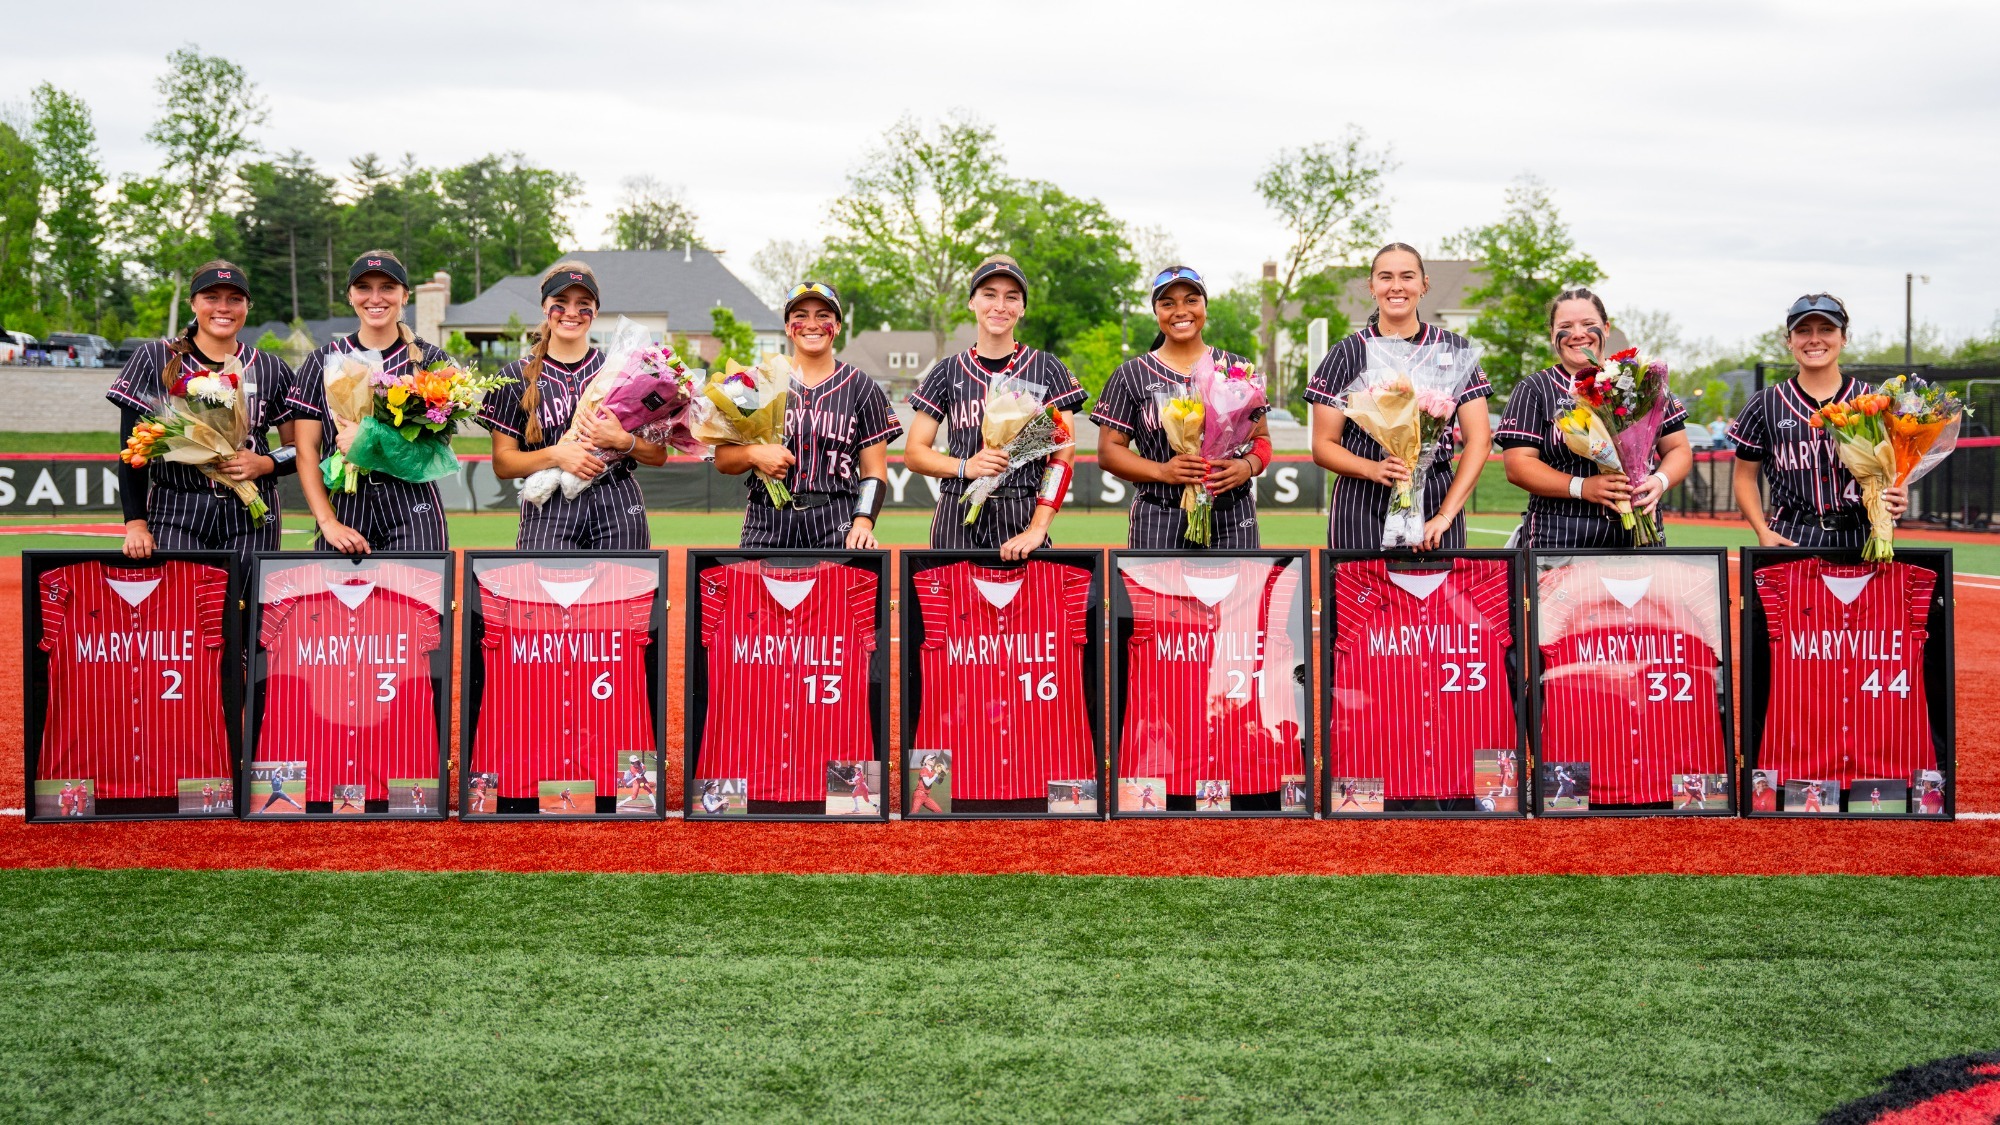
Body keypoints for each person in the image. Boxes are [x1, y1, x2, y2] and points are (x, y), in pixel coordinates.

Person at [108, 261, 299, 569]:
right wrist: (136, 525)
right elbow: (132, 451)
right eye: (211, 297)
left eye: (235, 299)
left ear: (247, 306)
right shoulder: (153, 358)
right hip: (177, 508)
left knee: (245, 599)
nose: (223, 307)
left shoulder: (271, 367)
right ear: (193, 303)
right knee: (185, 599)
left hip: (252, 511)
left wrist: (265, 464)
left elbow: (301, 447)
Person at [1308, 244, 1494, 550]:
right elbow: (1323, 445)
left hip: (1436, 500)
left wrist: (1445, 516)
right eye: (1386, 277)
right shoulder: (1346, 353)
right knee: (1360, 583)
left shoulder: (1455, 349)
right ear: (1372, 287)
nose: (1396, 286)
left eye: (1407, 277)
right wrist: (1372, 468)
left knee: (1438, 584)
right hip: (1361, 501)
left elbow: (1480, 441)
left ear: (1424, 284)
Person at [905, 255, 1088, 557]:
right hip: (957, 509)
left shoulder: (1047, 368)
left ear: (1023, 307)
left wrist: (1037, 528)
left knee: (1028, 591)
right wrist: (966, 466)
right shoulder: (947, 370)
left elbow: (1063, 454)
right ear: (972, 302)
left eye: (1011, 297)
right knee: (954, 591)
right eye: (989, 295)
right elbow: (914, 453)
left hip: (1021, 511)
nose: (1000, 306)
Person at [481, 262, 672, 549]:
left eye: (583, 304)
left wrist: (622, 440)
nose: (572, 312)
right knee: (544, 580)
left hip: (617, 502)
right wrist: (557, 455)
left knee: (624, 581)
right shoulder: (514, 376)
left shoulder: (623, 371)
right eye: (561, 302)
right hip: (549, 504)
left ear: (595, 312)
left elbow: (658, 455)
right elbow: (503, 463)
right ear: (545, 307)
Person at [1497, 289, 1694, 548]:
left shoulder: (1641, 381)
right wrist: (1581, 487)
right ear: (1552, 334)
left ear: (1606, 328)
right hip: (1561, 533)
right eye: (1565, 326)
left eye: (1588, 324)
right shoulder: (1534, 389)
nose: (1578, 333)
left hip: (1641, 533)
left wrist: (1660, 481)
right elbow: (1517, 465)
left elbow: (1679, 449)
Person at [288, 251, 455, 553]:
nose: (375, 298)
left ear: (405, 295)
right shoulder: (321, 360)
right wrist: (327, 522)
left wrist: (369, 440)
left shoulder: (431, 360)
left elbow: (437, 450)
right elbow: (306, 450)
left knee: (420, 587)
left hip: (413, 506)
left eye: (387, 287)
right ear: (350, 295)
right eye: (363, 287)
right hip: (344, 508)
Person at [1092, 267, 1271, 548]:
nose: (1180, 311)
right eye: (1168, 303)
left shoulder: (1237, 368)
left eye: (1191, 300)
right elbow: (1108, 452)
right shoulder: (1131, 374)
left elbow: (1262, 439)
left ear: (1204, 306)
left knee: (1238, 580)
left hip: (1231, 515)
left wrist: (1247, 466)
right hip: (1160, 514)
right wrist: (1162, 471)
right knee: (1154, 581)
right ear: (1156, 311)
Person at [719, 282, 901, 548]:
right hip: (766, 521)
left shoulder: (862, 386)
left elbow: (874, 471)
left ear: (838, 326)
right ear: (787, 327)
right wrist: (754, 453)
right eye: (800, 316)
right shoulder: (756, 383)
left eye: (823, 315)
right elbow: (722, 460)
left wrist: (863, 523)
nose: (812, 324)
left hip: (836, 522)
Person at [1730, 294, 1908, 547]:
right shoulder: (1765, 403)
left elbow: (1895, 469)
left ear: (1844, 337)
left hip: (1864, 539)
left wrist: (1900, 490)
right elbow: (1744, 477)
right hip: (1790, 538)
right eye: (1803, 331)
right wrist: (1761, 529)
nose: (1814, 339)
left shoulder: (1873, 400)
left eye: (1826, 329)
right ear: (1789, 341)